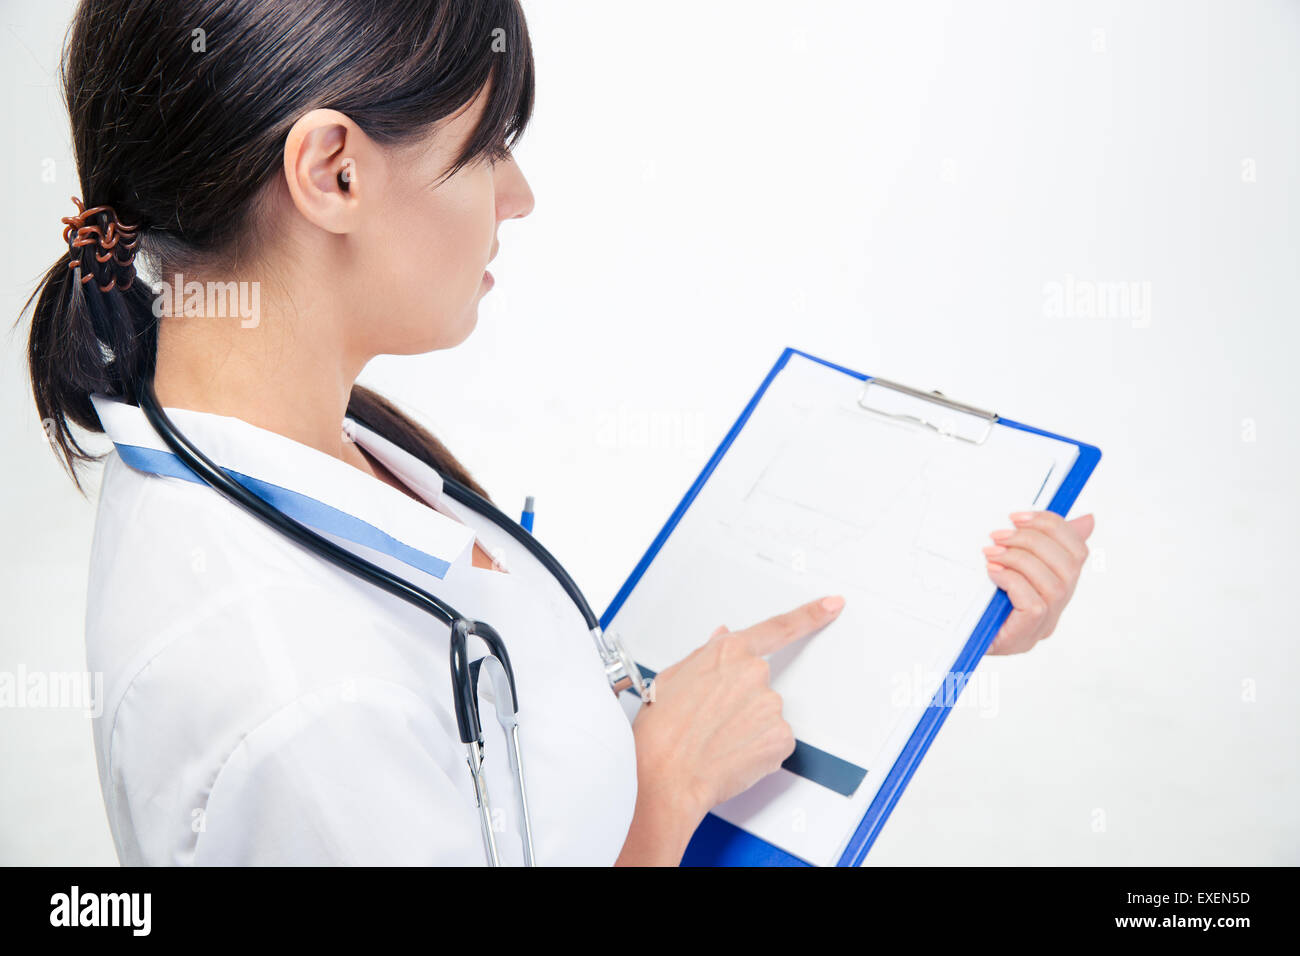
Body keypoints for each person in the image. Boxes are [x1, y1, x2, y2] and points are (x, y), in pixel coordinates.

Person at [24, 0, 1094, 866]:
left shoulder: (283, 436)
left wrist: (928, 627)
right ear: (333, 172)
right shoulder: (301, 699)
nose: (520, 196)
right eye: (486, 147)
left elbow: (528, 703)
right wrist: (666, 795)